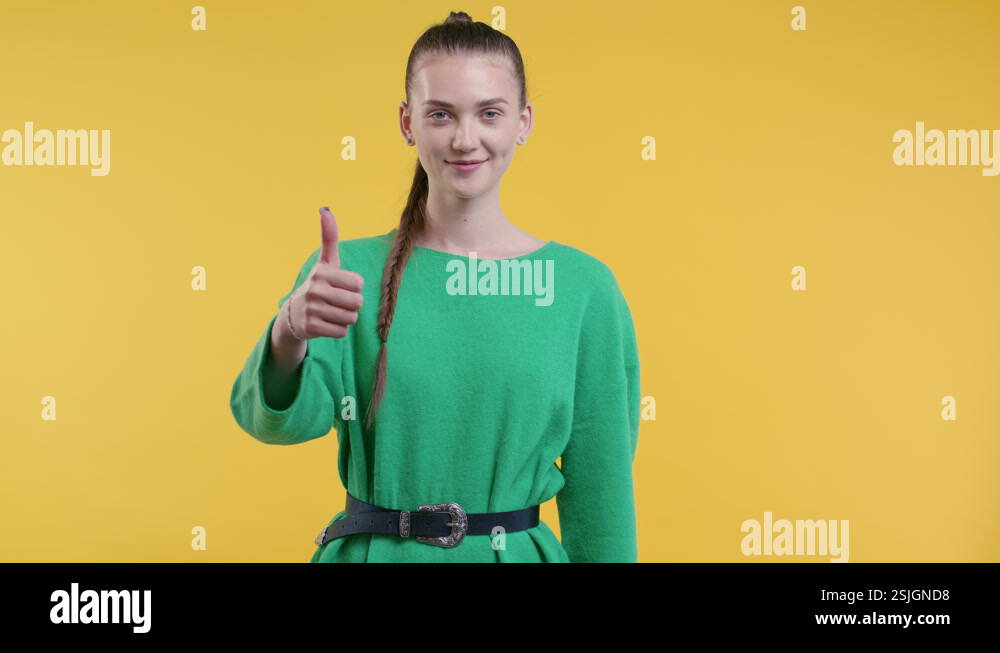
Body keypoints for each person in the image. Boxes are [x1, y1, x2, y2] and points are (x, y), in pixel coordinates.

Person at [230, 10, 641, 562]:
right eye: (441, 114)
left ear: (523, 122)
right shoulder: (344, 274)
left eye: (489, 113)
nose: (465, 139)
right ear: (407, 123)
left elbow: (602, 497)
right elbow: (278, 425)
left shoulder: (584, 290)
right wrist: (288, 332)